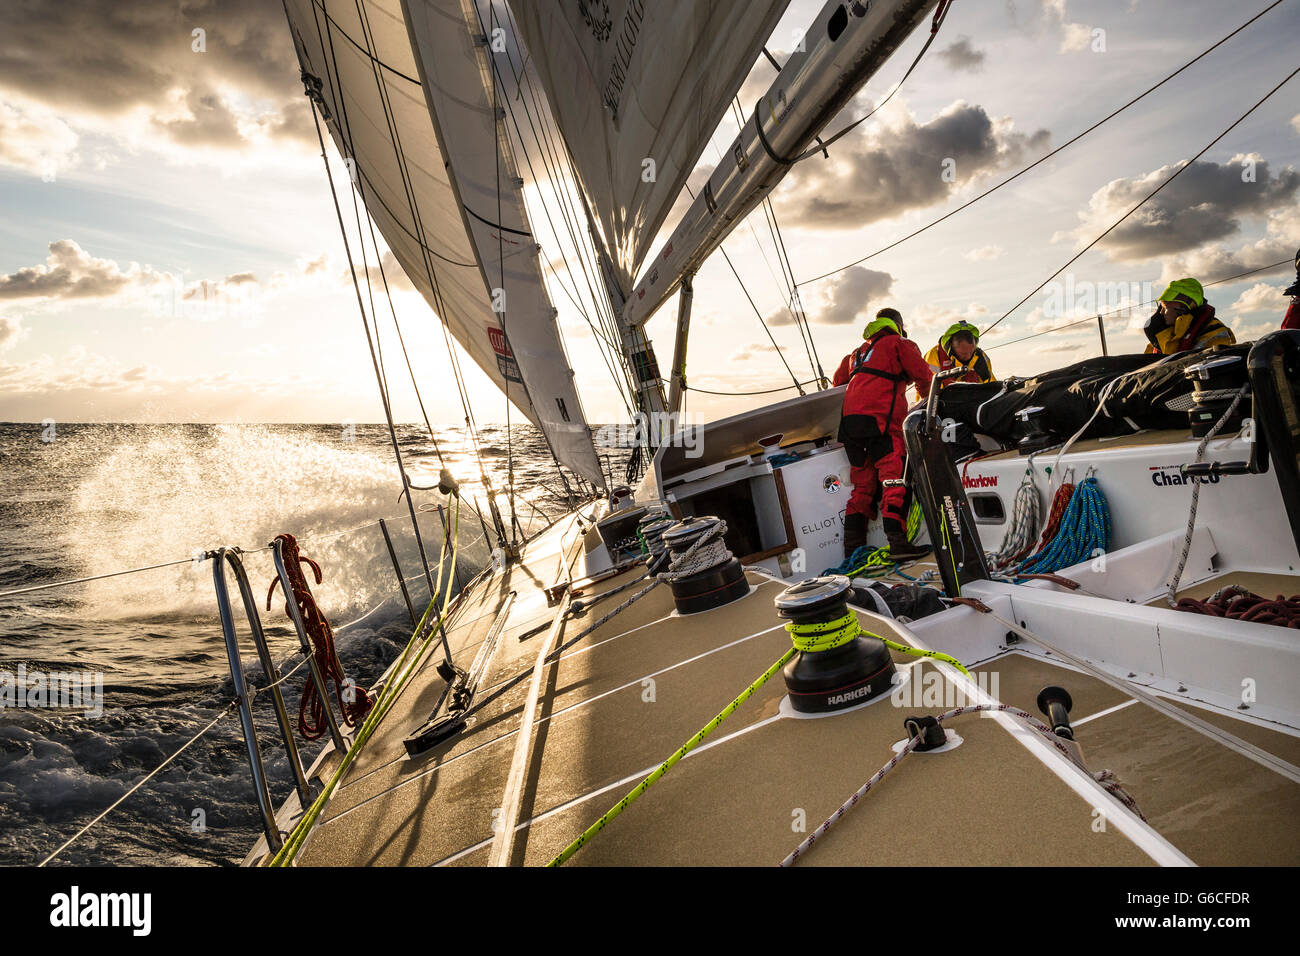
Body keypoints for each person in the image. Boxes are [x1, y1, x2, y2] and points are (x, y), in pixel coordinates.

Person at [832, 307, 933, 563]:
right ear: (898, 325)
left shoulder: (856, 354)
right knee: (893, 480)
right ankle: (898, 545)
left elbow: (837, 383)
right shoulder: (899, 343)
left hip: (850, 427)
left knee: (862, 488)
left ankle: (852, 556)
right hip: (880, 424)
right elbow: (925, 378)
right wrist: (927, 402)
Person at [1143, 278, 1235, 354]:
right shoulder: (1163, 336)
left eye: (1165, 308)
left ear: (1182, 310)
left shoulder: (1215, 333)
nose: (1161, 313)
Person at [924, 320, 995, 387]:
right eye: (963, 354)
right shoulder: (933, 357)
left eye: (971, 352)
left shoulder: (981, 357)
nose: (968, 357)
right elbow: (928, 390)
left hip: (976, 398)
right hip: (941, 398)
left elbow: (991, 385)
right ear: (951, 348)